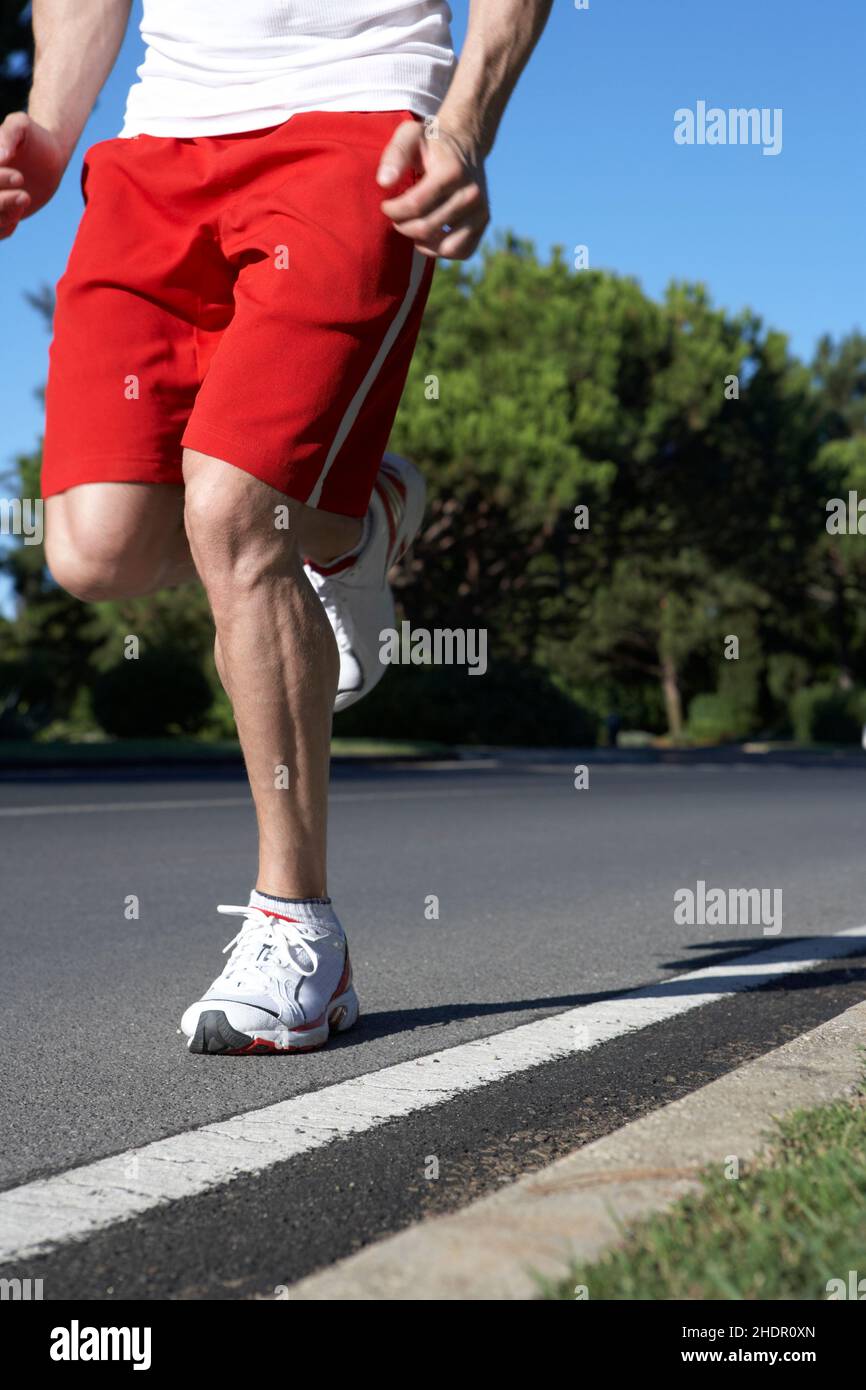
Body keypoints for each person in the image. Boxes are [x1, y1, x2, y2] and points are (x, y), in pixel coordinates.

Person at [0, 0, 552, 1054]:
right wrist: (49, 123)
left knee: (232, 509)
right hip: (155, 149)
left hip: (357, 125)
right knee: (94, 549)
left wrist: (461, 127)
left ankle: (299, 929)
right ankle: (355, 516)